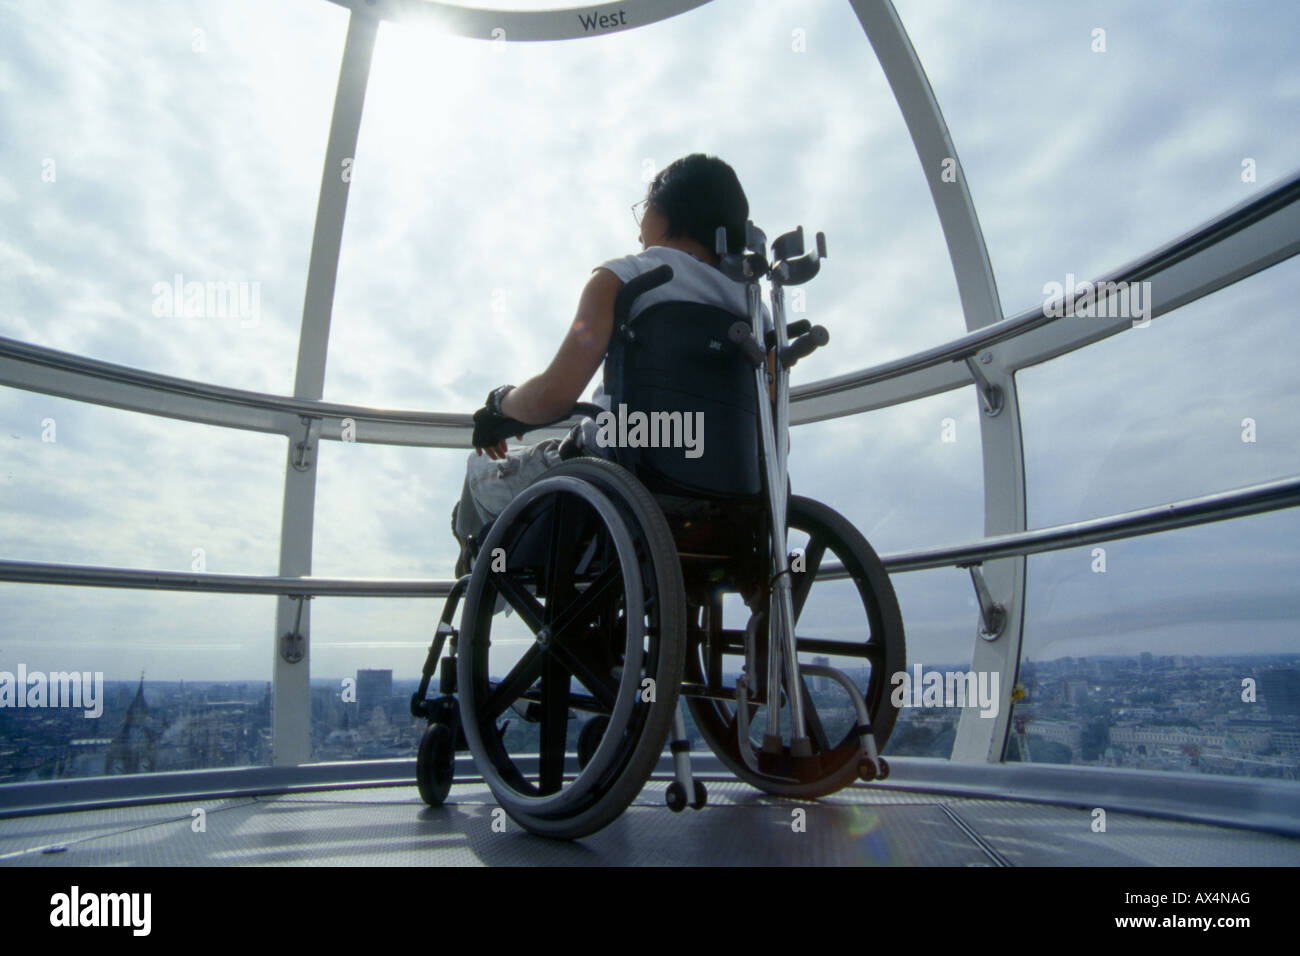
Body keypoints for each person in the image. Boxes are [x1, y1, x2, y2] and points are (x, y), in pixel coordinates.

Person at [451, 153, 771, 575]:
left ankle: (477, 584)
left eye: (645, 207)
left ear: (667, 212)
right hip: (730, 494)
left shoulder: (625, 277)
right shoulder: (758, 312)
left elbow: (554, 394)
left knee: (477, 476)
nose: (639, 228)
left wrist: (500, 404)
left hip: (616, 476)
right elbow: (767, 419)